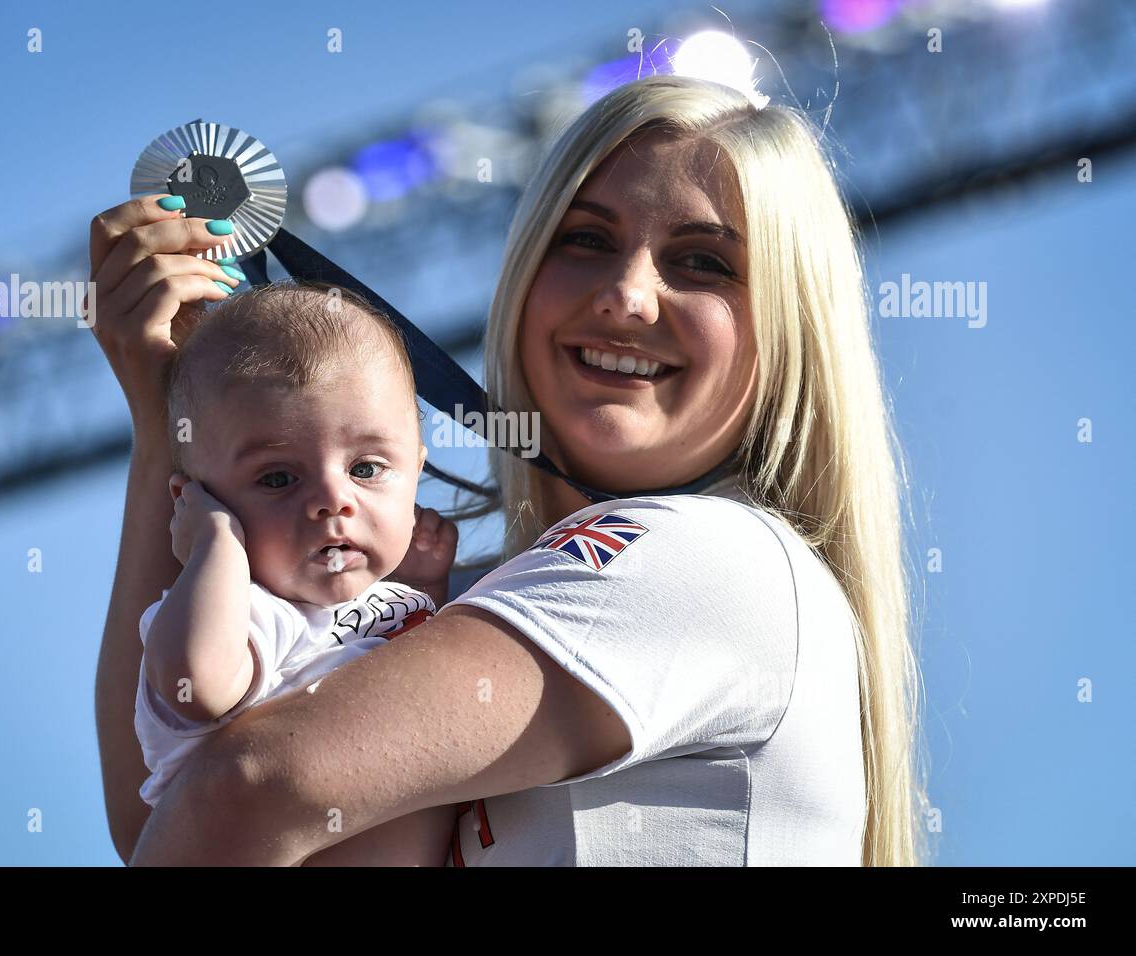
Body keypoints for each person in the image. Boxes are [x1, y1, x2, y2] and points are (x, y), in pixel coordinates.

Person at [89, 74, 930, 866]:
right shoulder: (449, 597)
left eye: (702, 261)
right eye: (588, 240)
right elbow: (158, 805)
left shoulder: (713, 559)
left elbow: (246, 786)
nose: (627, 296)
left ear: (789, 329)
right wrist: (174, 418)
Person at [131, 281, 460, 864]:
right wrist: (216, 546)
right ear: (196, 501)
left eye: (366, 467)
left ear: (417, 468)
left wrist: (421, 589)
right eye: (279, 478)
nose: (333, 499)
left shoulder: (371, 601)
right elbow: (197, 686)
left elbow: (392, 660)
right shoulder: (250, 612)